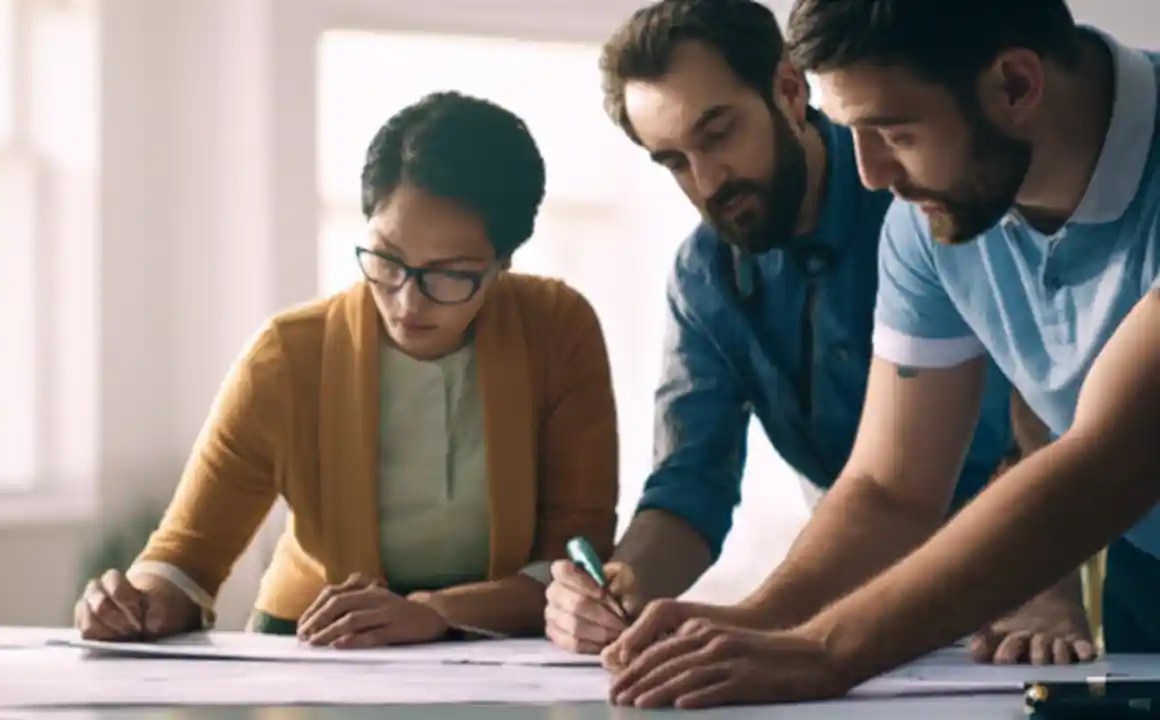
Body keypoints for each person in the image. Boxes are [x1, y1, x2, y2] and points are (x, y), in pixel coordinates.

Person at [600, 0, 1160, 708]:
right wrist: (762, 621)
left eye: (893, 131)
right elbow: (890, 490)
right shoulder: (929, 222)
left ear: (1016, 85)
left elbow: (1110, 462)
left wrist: (825, 649)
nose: (869, 174)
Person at [74, 91, 620, 646]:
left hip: (498, 644)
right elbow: (184, 558)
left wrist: (434, 610)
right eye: (386, 259)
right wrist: (136, 604)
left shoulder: (556, 329)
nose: (407, 302)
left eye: (450, 274)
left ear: (503, 263)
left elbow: (574, 556)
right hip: (314, 638)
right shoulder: (288, 355)